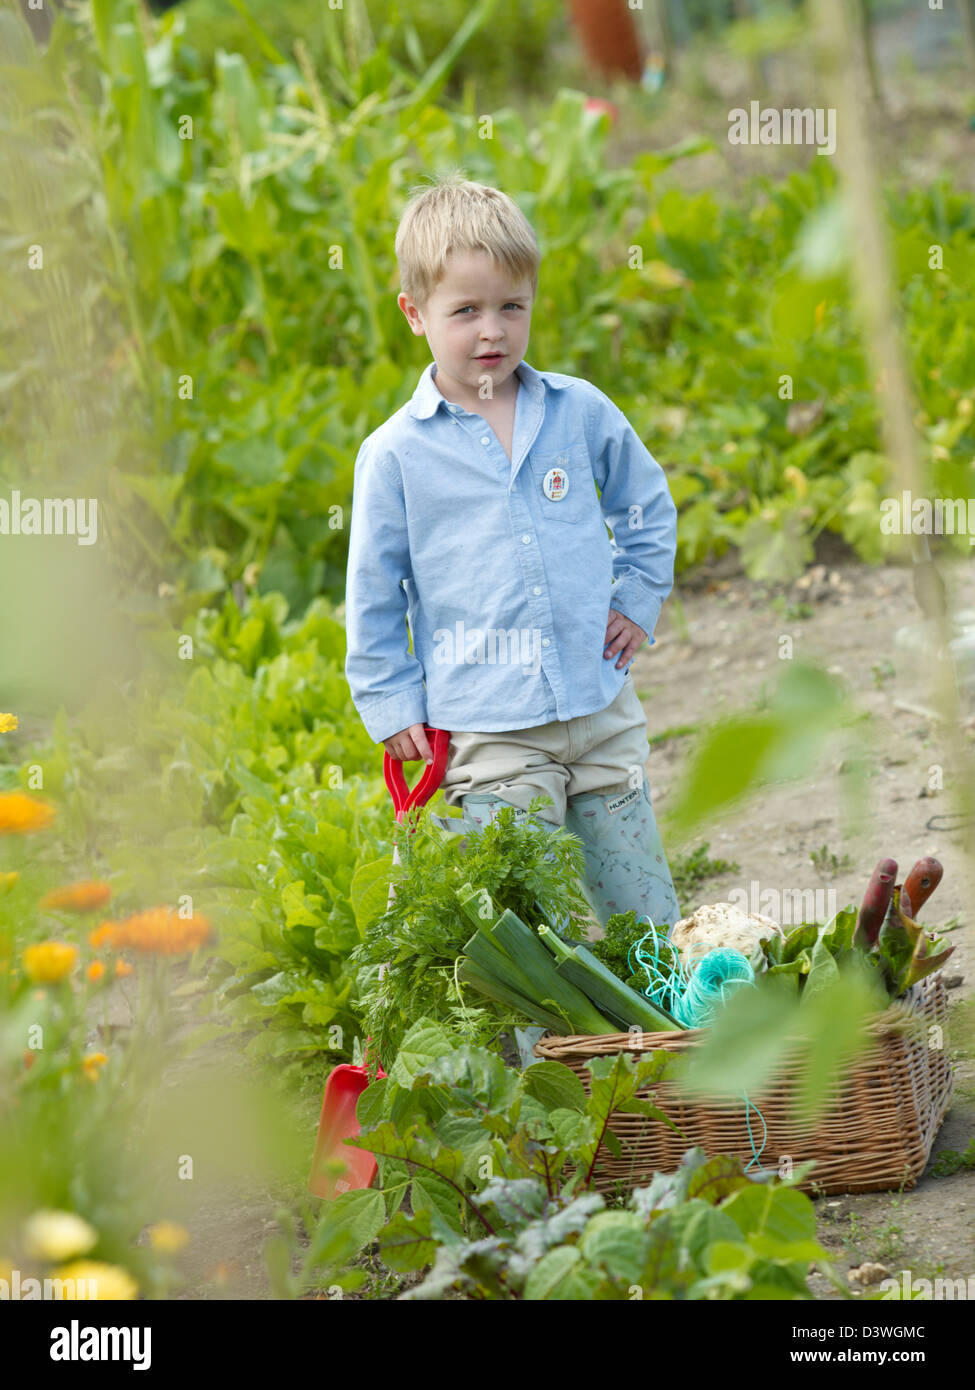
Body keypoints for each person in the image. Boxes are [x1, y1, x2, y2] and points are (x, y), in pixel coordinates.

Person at [344, 172, 682, 938]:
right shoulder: (395, 455)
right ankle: (529, 1054)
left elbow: (645, 503)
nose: (490, 330)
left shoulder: (576, 410)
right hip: (489, 728)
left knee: (643, 907)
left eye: (510, 307)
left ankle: (658, 1035)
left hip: (597, 705)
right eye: (464, 311)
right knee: (526, 923)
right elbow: (372, 591)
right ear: (414, 314)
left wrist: (636, 595)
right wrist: (390, 701)